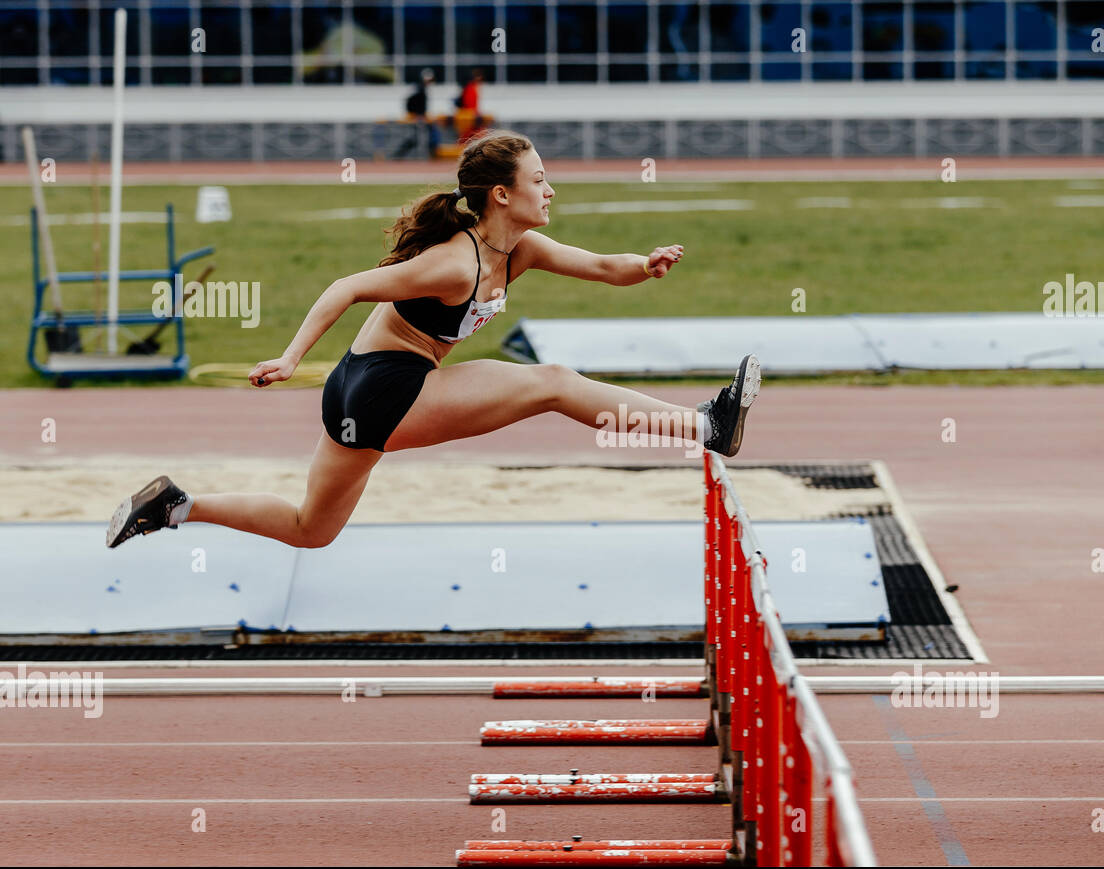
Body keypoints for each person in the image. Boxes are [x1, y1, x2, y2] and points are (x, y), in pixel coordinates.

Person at [106, 130, 760, 551]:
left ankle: (177, 506)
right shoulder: (456, 262)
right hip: (387, 386)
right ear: (502, 195)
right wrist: (290, 356)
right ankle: (706, 426)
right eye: (540, 180)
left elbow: (599, 266)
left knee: (313, 529)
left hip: (360, 395)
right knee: (552, 384)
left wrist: (645, 266)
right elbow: (346, 285)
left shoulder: (521, 247)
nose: (551, 188)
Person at [393, 68, 440, 159]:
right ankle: (400, 154)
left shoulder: (421, 89)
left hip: (420, 116)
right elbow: (411, 102)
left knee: (421, 136)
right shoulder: (419, 89)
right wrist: (416, 114)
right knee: (419, 137)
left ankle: (400, 154)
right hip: (418, 117)